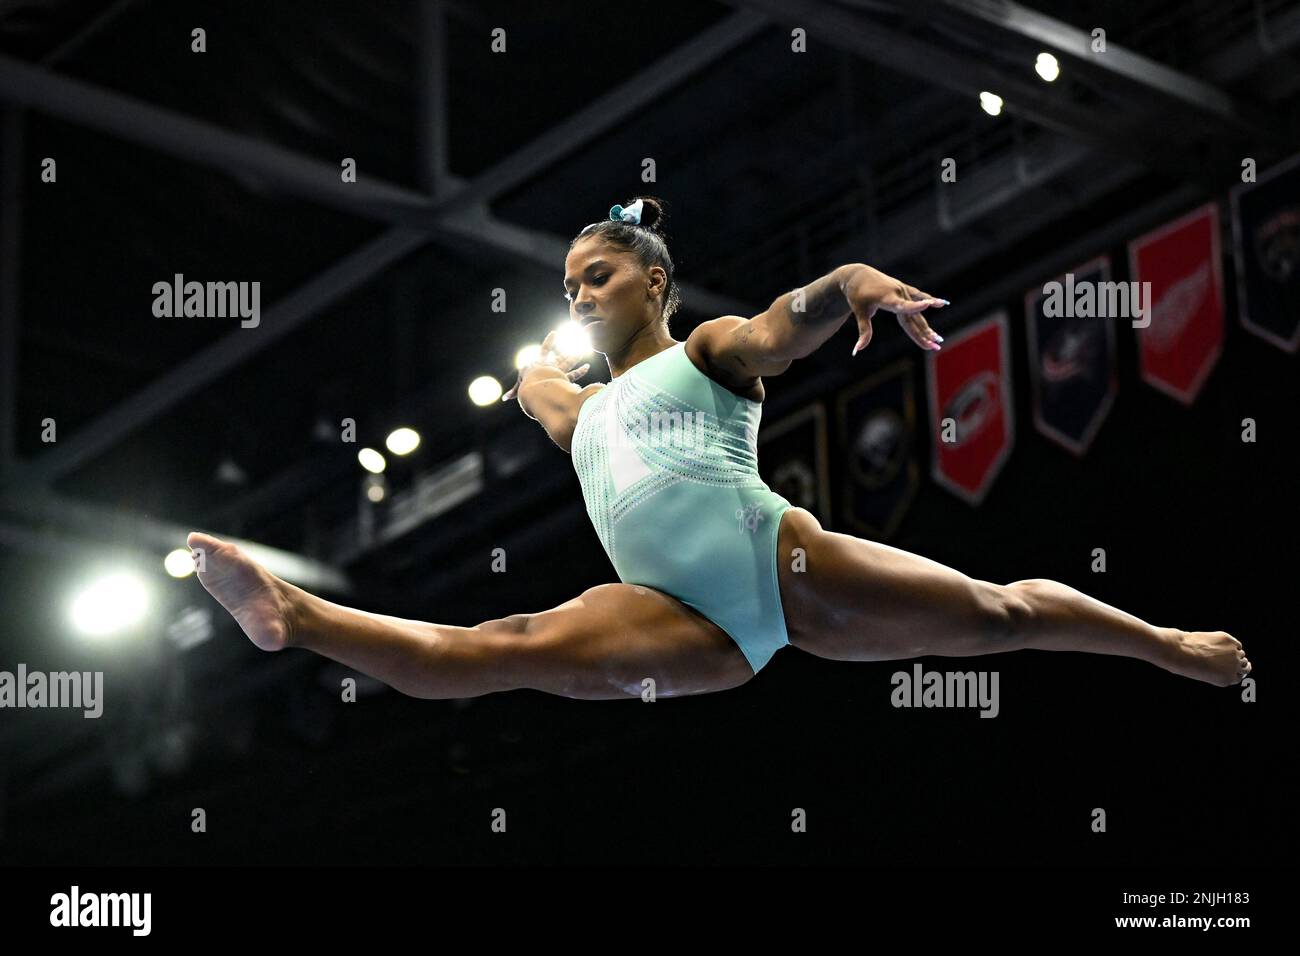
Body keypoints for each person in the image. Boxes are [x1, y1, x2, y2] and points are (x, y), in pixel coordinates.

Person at [189, 195, 1251, 700]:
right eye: (567, 287)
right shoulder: (575, 412)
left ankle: (1163, 641)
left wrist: (850, 285)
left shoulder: (703, 350)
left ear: (654, 283)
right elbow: (538, 390)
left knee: (1001, 615)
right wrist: (533, 373)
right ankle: (296, 614)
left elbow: (783, 325)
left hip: (776, 563)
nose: (578, 296)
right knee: (499, 645)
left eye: (596, 277)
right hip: (680, 620)